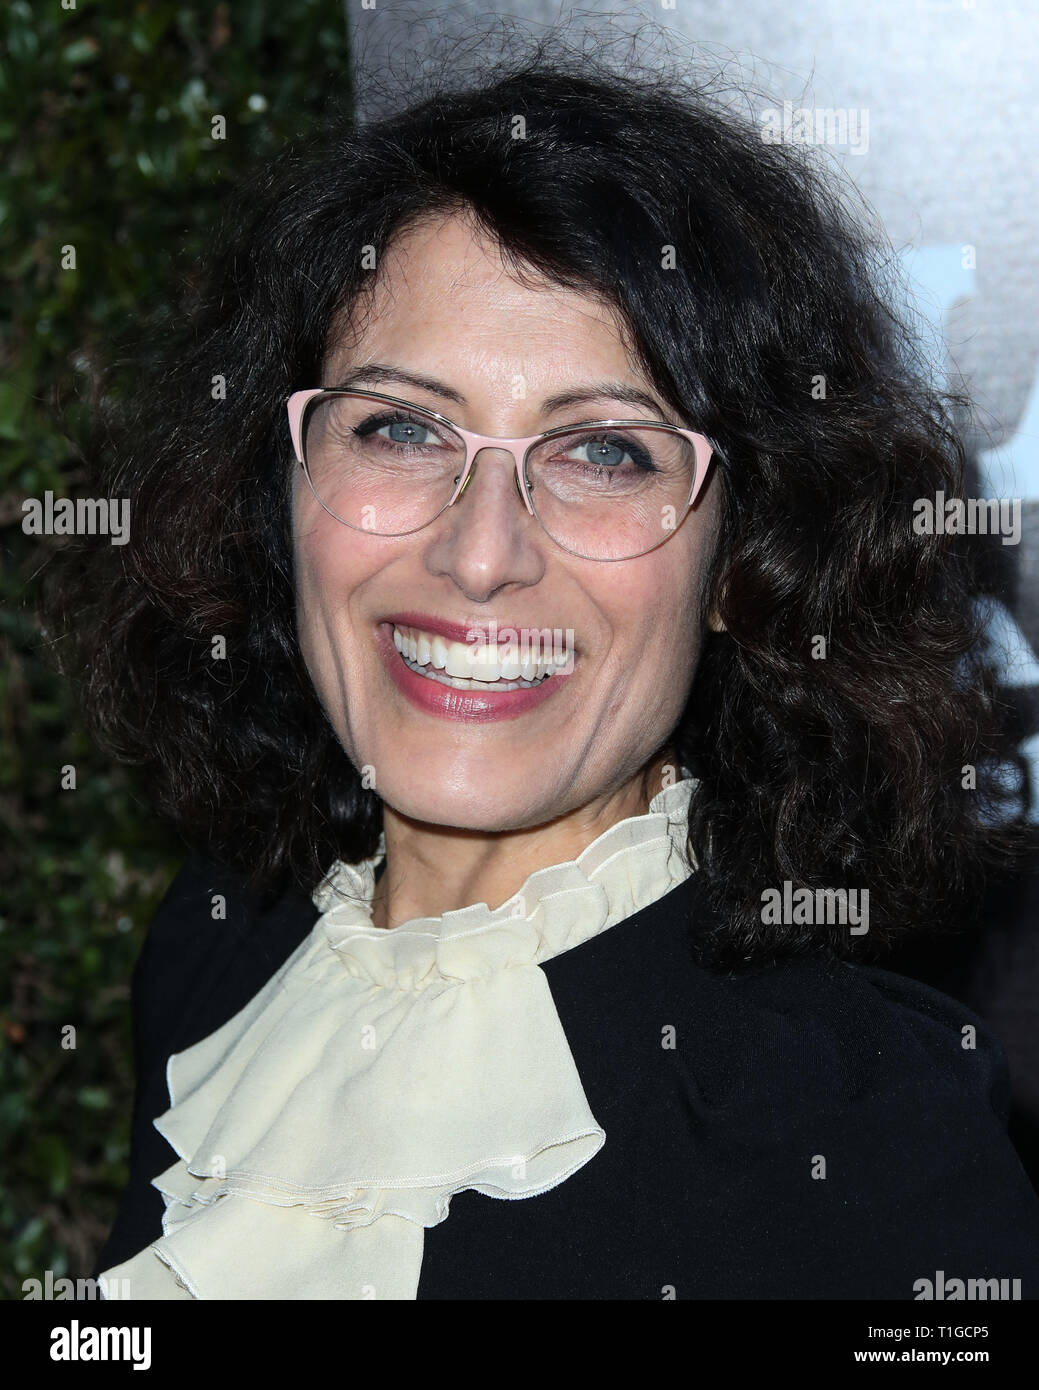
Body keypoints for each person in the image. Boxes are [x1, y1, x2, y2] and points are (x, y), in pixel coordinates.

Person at [47, 32, 1039, 1299]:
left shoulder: (863, 1143)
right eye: (400, 427)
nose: (479, 554)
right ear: (279, 493)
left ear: (747, 564)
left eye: (604, 452)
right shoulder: (217, 947)